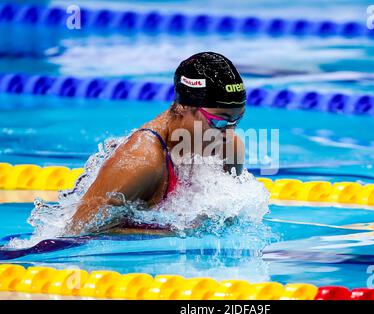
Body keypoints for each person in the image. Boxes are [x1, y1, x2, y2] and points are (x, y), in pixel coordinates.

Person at [67, 52, 246, 235]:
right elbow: (78, 230)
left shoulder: (228, 149)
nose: (228, 133)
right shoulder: (141, 162)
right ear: (184, 106)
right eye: (218, 122)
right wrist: (176, 231)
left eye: (236, 121)